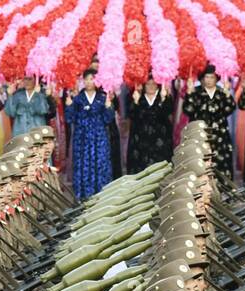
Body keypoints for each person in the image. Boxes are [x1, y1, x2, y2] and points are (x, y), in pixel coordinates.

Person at [63, 70, 115, 200]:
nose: (89, 82)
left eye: (92, 79)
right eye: (86, 79)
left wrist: (109, 107)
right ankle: (83, 196)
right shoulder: (77, 99)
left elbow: (108, 120)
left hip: (99, 137)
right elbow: (70, 119)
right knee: (82, 164)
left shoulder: (103, 98)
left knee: (100, 163)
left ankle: (102, 194)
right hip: (82, 138)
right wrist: (68, 107)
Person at [182, 66, 235, 178]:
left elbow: (230, 109)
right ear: (202, 78)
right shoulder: (196, 93)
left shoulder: (221, 93)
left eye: (212, 77)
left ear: (216, 79)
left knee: (221, 161)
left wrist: (227, 95)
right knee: (200, 160)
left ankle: (222, 186)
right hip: (200, 134)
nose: (209, 80)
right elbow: (187, 110)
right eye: (207, 77)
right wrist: (189, 94)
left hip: (220, 133)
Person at [126, 80, 175, 174]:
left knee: (161, 167)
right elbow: (131, 115)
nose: (151, 86)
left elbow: (168, 111)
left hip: (160, 139)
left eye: (154, 84)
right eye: (148, 84)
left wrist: (164, 99)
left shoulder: (164, 96)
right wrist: (135, 102)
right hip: (140, 139)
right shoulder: (136, 96)